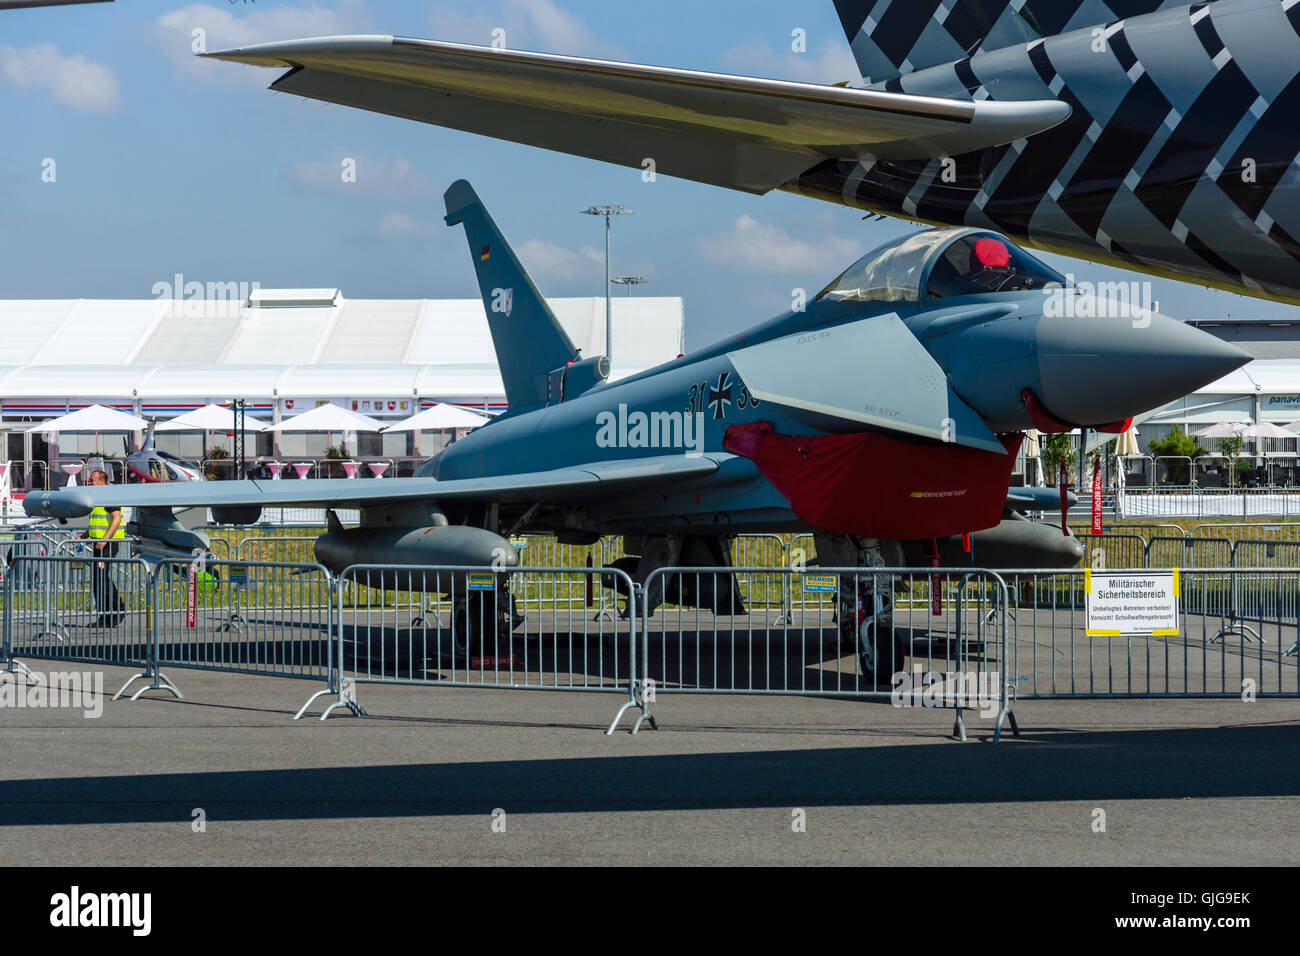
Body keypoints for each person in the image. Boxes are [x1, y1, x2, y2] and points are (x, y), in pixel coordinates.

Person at [85, 469, 126, 627]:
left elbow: (116, 519)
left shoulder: (109, 496)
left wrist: (104, 540)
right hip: (99, 543)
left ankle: (116, 611)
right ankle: (105, 615)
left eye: (92, 480)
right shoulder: (97, 498)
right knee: (98, 579)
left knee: (101, 578)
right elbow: (97, 522)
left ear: (102, 482)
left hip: (107, 545)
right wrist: (83, 536)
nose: (90, 482)